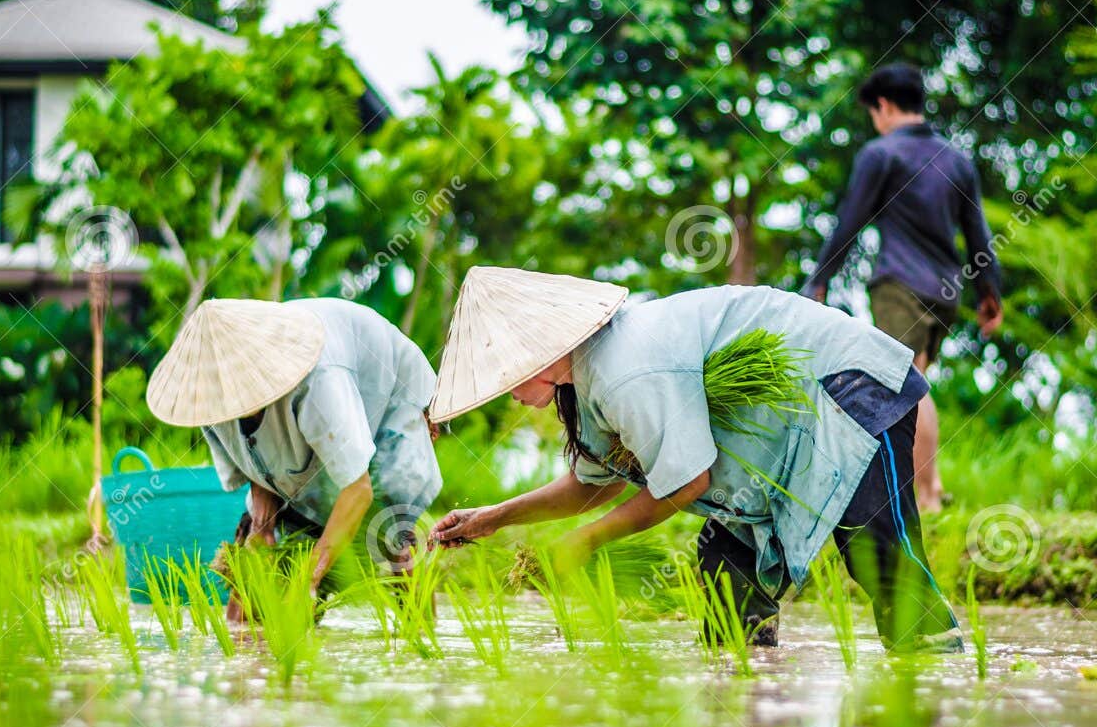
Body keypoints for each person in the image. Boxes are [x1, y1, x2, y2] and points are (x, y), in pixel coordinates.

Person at [428, 266, 962, 652]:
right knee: (728, 597)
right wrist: (493, 518)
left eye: (505, 380)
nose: (508, 394)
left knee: (880, 558)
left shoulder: (623, 369)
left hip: (847, 388)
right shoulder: (587, 380)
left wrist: (585, 541)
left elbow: (686, 484)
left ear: (538, 357)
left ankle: (938, 710)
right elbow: (594, 484)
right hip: (765, 451)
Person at [146, 297, 441, 615]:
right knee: (254, 560)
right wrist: (263, 527)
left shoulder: (319, 381)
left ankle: (421, 640)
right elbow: (255, 465)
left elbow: (358, 489)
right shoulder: (207, 401)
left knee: (394, 533)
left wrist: (309, 578)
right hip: (320, 420)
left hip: (389, 391)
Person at [802, 63, 1003, 512]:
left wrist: (818, 281)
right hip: (946, 289)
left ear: (885, 106)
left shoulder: (880, 154)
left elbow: (849, 223)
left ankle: (927, 492)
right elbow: (978, 234)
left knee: (907, 384)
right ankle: (929, 488)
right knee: (916, 375)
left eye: (873, 114)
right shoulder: (956, 158)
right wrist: (990, 293)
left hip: (901, 283)